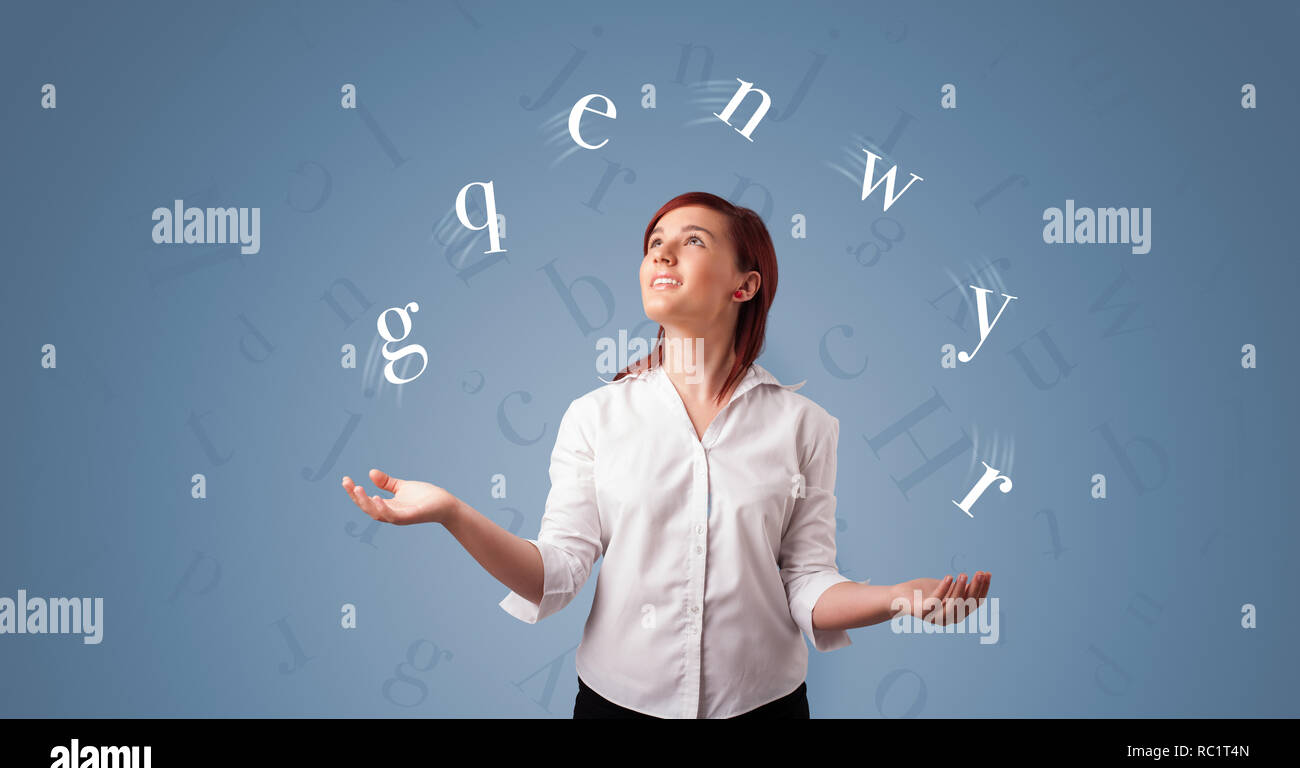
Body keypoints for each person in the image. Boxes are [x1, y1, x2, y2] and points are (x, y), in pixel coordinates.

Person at [341, 191, 991, 719]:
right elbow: (554, 574)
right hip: (614, 711)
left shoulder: (806, 426)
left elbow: (808, 582)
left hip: (766, 711)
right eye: (655, 243)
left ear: (744, 285)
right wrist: (453, 513)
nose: (662, 253)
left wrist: (898, 597)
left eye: (692, 241)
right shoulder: (595, 417)